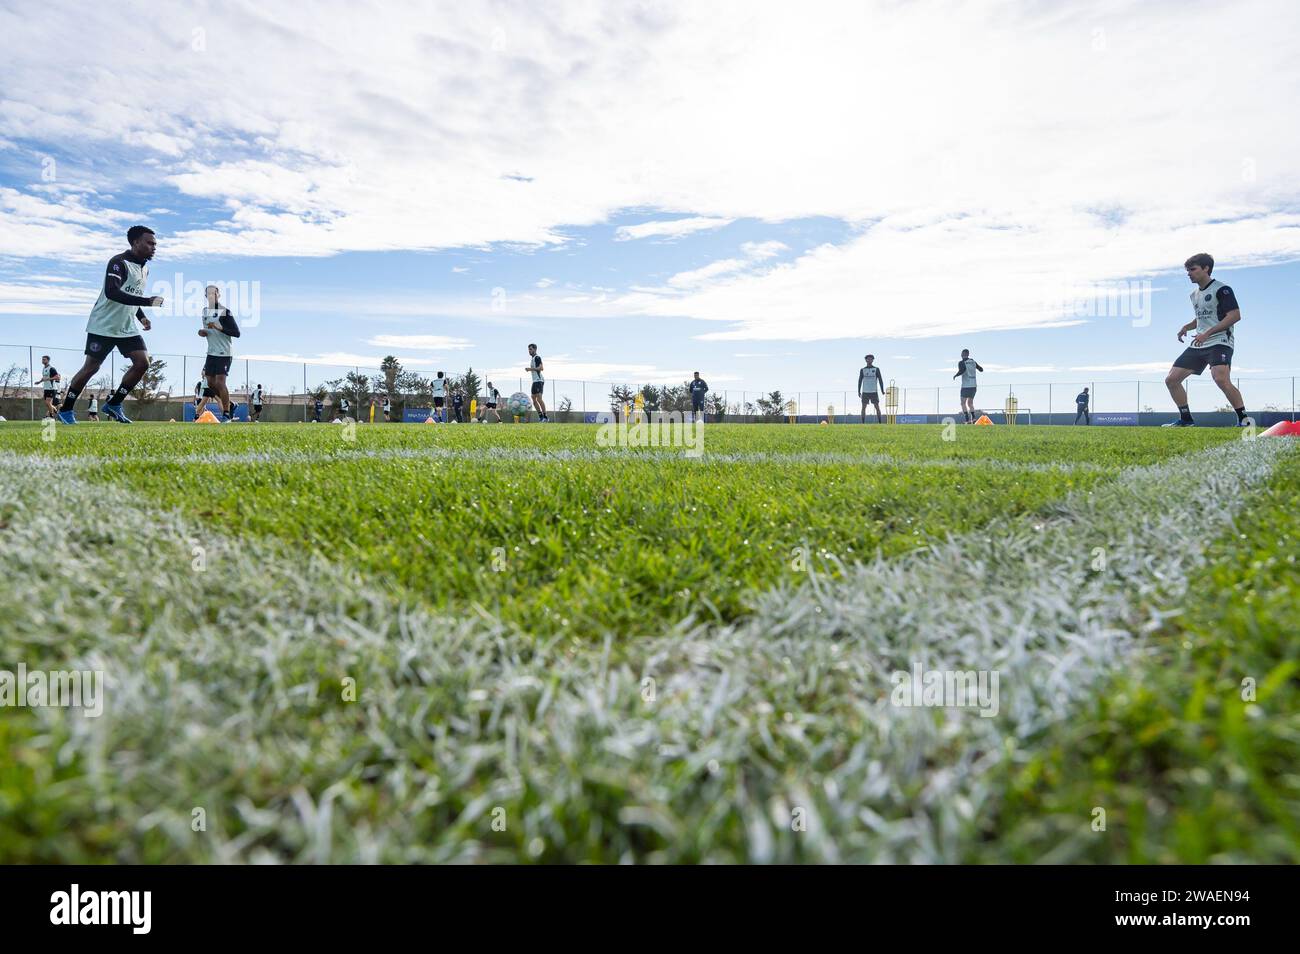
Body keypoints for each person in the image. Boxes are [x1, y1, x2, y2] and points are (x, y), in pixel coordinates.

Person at [57, 226, 164, 424]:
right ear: (135, 243)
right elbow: (112, 292)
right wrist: (147, 301)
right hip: (103, 325)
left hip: (126, 327)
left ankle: (114, 404)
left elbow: (132, 295)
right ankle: (65, 410)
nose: (154, 247)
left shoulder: (145, 268)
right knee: (91, 368)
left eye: (155, 244)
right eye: (149, 243)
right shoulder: (118, 262)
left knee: (142, 363)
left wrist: (141, 317)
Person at [1163, 253, 1248, 427]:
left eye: (1192, 269)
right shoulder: (1194, 295)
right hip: (1199, 343)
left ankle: (1244, 420)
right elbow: (1201, 318)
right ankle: (1186, 420)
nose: (1189, 273)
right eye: (1188, 270)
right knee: (1171, 380)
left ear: (1206, 268)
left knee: (1220, 379)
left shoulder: (1222, 289)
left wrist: (1207, 333)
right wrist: (1187, 327)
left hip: (1220, 341)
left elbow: (1234, 316)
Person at [198, 284, 241, 422]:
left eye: (214, 293)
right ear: (206, 296)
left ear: (218, 295)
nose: (211, 295)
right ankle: (231, 404)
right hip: (211, 353)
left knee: (220, 382)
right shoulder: (204, 312)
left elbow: (236, 333)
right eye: (209, 294)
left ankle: (226, 413)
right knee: (210, 384)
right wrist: (203, 333)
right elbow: (209, 332)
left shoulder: (225, 312)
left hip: (224, 353)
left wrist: (220, 328)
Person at [953, 349, 983, 423]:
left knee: (963, 403)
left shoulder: (961, 362)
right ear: (968, 354)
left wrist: (956, 375)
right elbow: (981, 369)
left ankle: (967, 420)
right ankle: (973, 418)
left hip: (966, 386)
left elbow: (962, 370)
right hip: (974, 386)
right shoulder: (973, 361)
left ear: (963, 354)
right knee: (970, 403)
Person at [857, 354, 884, 423]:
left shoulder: (876, 369)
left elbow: (880, 380)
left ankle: (880, 422)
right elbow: (859, 381)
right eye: (868, 359)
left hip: (874, 392)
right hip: (865, 392)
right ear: (866, 360)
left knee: (877, 407)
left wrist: (882, 390)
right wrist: (858, 391)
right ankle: (863, 423)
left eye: (871, 359)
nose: (869, 360)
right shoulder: (862, 370)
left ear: (873, 360)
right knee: (863, 407)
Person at [526, 344, 548, 422]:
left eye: (531, 349)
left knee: (539, 398)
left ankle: (545, 417)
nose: (529, 351)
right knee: (533, 398)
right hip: (535, 381)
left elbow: (541, 368)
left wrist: (530, 369)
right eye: (529, 349)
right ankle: (540, 416)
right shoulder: (532, 359)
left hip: (539, 380)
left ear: (535, 349)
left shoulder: (537, 357)